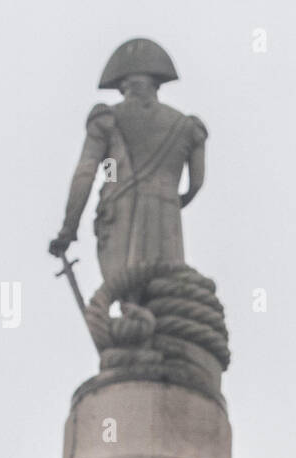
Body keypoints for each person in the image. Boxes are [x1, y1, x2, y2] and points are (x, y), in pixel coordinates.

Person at [49, 38, 207, 287]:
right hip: (166, 217)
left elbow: (88, 172)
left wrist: (68, 229)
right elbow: (196, 183)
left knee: (129, 296)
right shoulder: (186, 126)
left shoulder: (108, 119)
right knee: (165, 297)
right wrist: (178, 199)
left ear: (122, 84)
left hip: (119, 213)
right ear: (156, 83)